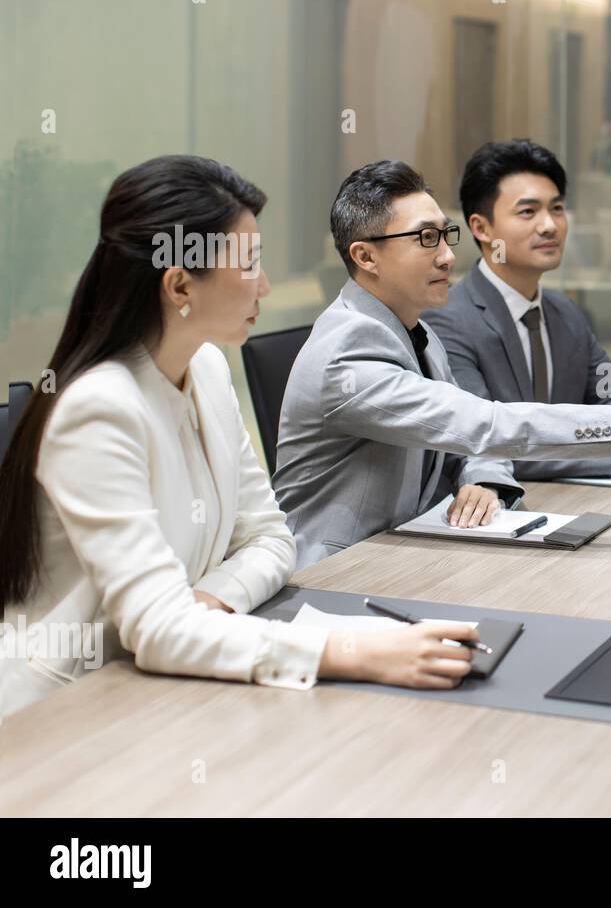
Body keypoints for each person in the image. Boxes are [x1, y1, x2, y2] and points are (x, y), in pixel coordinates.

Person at [0, 155, 483, 720]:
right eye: (249, 263)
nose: (267, 285)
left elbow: (271, 539)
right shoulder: (97, 410)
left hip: (179, 677)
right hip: (67, 711)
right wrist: (350, 650)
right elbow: (158, 630)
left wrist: (208, 602)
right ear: (180, 284)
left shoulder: (205, 369)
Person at [274, 160, 611, 566]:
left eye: (445, 236)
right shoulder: (349, 349)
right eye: (425, 239)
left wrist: (481, 477)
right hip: (337, 574)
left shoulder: (414, 329)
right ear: (366, 256)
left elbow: (462, 435)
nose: (447, 256)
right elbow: (486, 423)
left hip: (411, 552)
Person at [427, 138, 611, 480]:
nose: (549, 225)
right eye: (528, 212)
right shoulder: (447, 320)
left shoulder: (564, 311)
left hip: (579, 497)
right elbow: (481, 441)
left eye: (556, 208)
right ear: (481, 228)